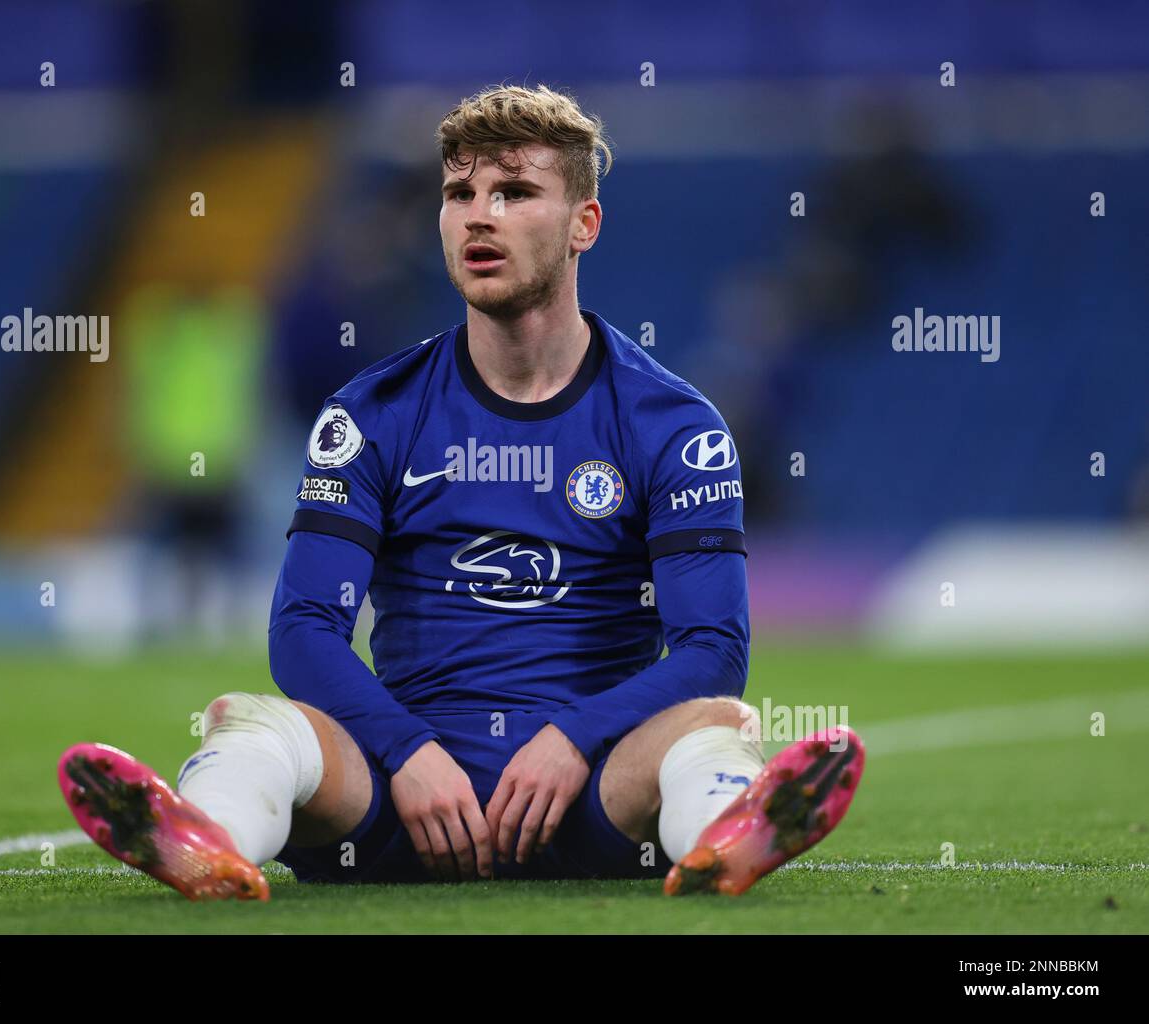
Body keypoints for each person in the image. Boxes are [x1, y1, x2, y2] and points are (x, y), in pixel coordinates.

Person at [59, 84, 864, 901]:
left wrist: (571, 740)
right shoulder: (372, 414)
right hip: (402, 803)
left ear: (583, 223)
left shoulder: (673, 423)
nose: (479, 215)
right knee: (253, 721)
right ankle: (208, 841)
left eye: (514, 192)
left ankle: (720, 842)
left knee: (715, 724)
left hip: (589, 801)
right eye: (459, 194)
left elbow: (713, 650)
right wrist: (407, 752)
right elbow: (304, 628)